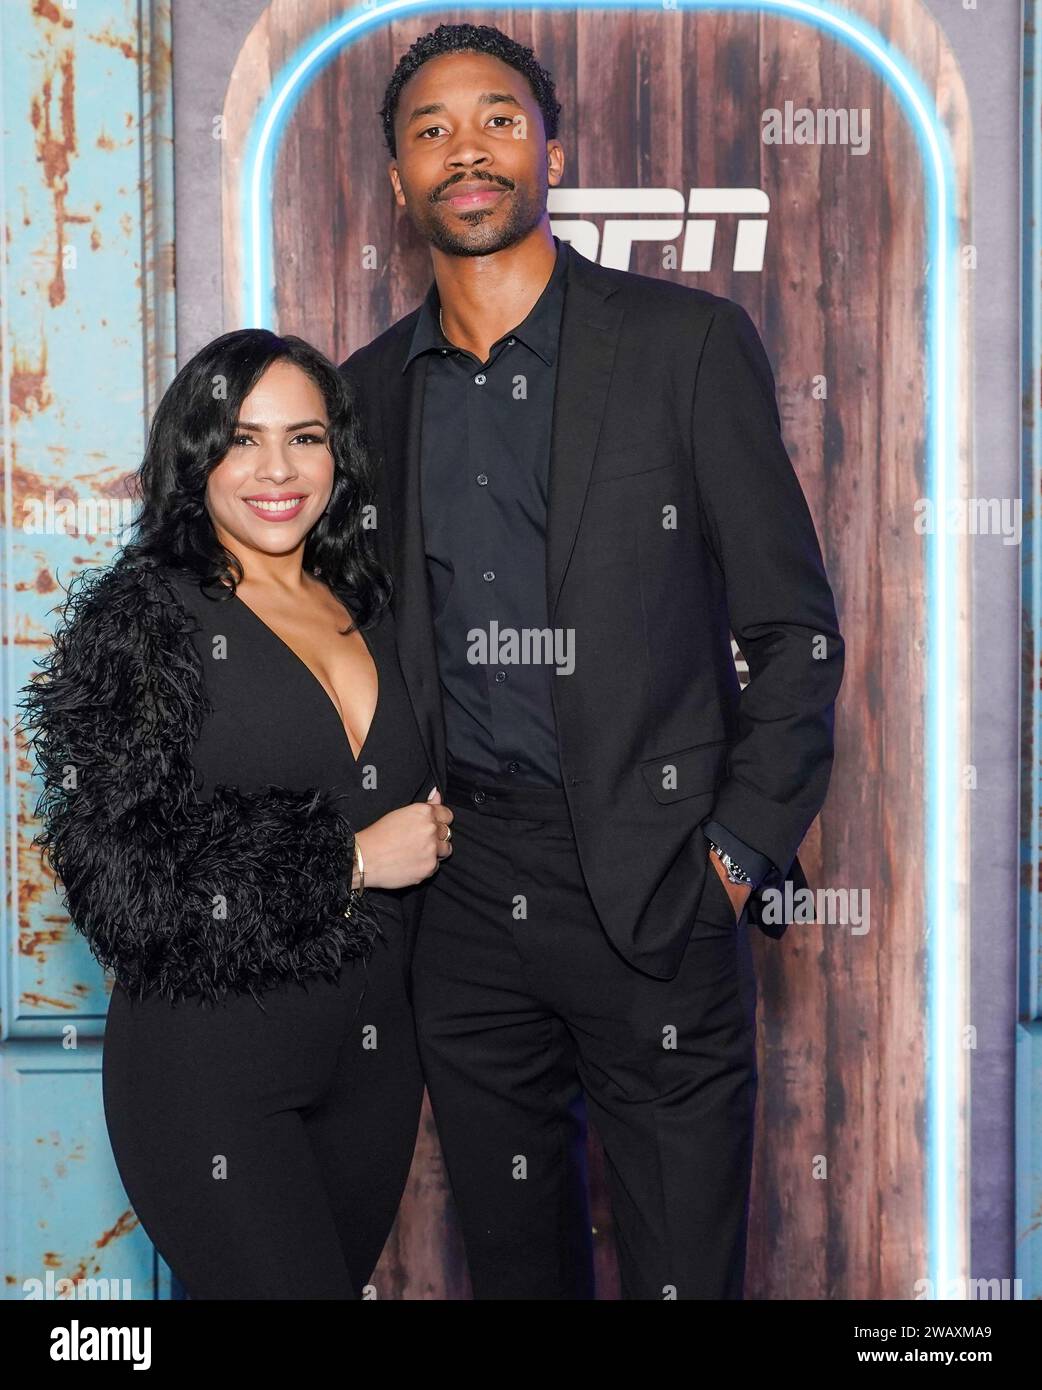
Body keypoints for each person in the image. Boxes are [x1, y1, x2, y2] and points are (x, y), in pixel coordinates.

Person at [339, 23, 845, 1299]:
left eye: (497, 119)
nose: (467, 149)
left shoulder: (683, 345)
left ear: (549, 147)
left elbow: (794, 632)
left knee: (685, 1268)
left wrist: (735, 856)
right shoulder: (361, 399)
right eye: (431, 129)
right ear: (397, 180)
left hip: (658, 880)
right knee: (517, 1271)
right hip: (461, 896)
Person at [17, 328, 453, 1300]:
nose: (275, 469)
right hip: (210, 1078)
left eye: (303, 437)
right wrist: (344, 861)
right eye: (240, 438)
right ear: (194, 456)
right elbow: (116, 874)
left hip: (372, 1074)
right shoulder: (145, 617)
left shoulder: (369, 604)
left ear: (338, 457)